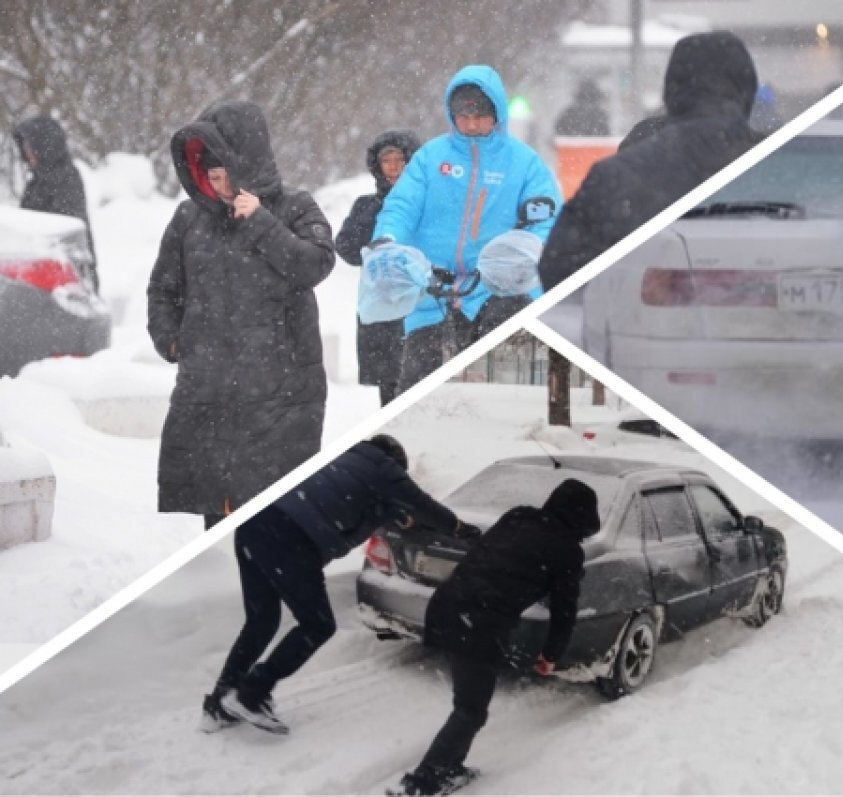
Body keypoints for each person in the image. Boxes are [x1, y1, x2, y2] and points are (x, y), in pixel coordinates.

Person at [202, 435, 477, 735]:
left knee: (261, 620)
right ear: (394, 461)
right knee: (317, 625)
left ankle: (219, 703)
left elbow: (386, 512)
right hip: (290, 538)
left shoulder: (339, 461)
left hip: (254, 524)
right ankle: (252, 693)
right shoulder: (382, 467)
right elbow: (422, 505)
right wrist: (461, 530)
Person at [147, 100, 335, 531]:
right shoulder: (188, 219)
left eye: (223, 173)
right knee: (218, 509)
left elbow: (315, 265)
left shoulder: (295, 207)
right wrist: (172, 341)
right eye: (208, 175)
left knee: (275, 515)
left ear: (246, 163)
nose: (216, 184)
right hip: (210, 390)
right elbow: (163, 289)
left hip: (280, 393)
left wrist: (261, 222)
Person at [394, 478, 601, 796]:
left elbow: (493, 557)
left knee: (467, 704)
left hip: (447, 606)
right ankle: (421, 783)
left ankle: (449, 767)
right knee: (470, 710)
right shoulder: (567, 551)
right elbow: (564, 612)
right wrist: (550, 655)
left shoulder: (518, 516)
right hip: (478, 623)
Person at [372, 65, 562, 393]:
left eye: (480, 117)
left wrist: (519, 260)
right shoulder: (430, 158)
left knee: (499, 387)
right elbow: (402, 207)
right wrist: (388, 240)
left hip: (497, 291)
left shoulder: (524, 162)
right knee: (417, 385)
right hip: (432, 290)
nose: (472, 125)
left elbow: (547, 221)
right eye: (463, 117)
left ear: (498, 114)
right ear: (451, 115)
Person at [538, 31, 763, 291]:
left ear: (672, 85)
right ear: (747, 88)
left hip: (638, 318)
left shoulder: (618, 173)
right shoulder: (783, 162)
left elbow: (559, 270)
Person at [335, 130, 423, 406]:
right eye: (387, 160)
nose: (394, 167)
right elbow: (346, 247)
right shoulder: (366, 206)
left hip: (420, 307)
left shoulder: (426, 204)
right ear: (377, 165)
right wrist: (376, 245)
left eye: (401, 159)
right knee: (389, 388)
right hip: (381, 307)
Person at [12, 116, 99, 290]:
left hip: (65, 279)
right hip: (41, 273)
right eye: (26, 147)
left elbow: (65, 231)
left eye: (31, 147)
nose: (27, 153)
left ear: (43, 146)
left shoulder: (64, 179)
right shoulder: (37, 180)